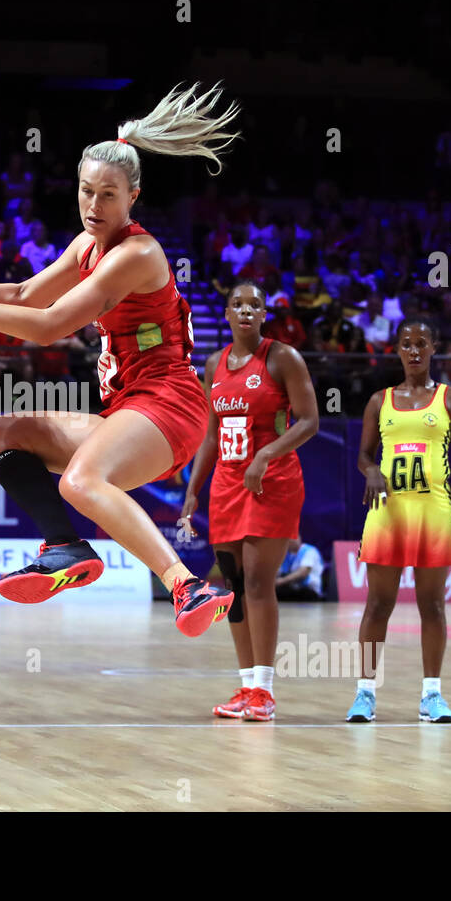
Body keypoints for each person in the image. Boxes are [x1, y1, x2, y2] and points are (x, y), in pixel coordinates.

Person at [0, 83, 241, 636]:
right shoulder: (87, 245)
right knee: (0, 432)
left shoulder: (137, 254)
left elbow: (50, 326)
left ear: (134, 198)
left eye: (108, 195)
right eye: (85, 192)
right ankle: (64, 547)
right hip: (129, 409)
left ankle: (186, 583)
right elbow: (26, 295)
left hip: (171, 407)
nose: (94, 206)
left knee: (80, 481)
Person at [181, 282, 318, 721]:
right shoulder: (213, 364)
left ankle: (265, 690)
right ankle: (245, 687)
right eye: (238, 304)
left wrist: (265, 454)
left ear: (263, 314)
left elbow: (311, 421)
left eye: (254, 305)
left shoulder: (282, 358)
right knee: (233, 588)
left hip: (272, 482)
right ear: (225, 313)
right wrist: (192, 491)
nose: (246, 311)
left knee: (259, 582)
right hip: (226, 484)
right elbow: (210, 435)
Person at [346, 318, 451, 725]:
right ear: (397, 350)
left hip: (434, 511)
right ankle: (365, 694)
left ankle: (432, 696)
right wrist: (370, 471)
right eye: (407, 344)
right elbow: (363, 456)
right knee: (378, 604)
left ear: (434, 347)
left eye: (422, 343)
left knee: (433, 605)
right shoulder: (379, 401)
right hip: (388, 512)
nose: (415, 350)